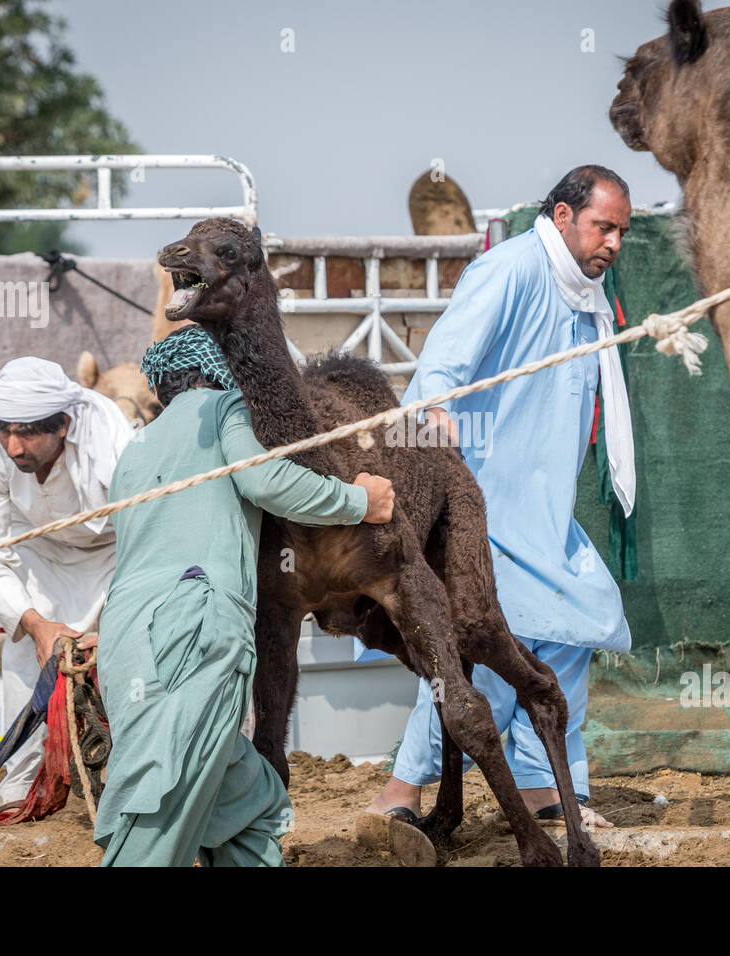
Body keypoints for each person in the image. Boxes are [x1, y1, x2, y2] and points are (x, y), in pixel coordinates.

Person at [364, 165, 636, 833]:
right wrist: (435, 411)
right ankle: (400, 789)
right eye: (605, 227)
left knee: (578, 622)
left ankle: (544, 783)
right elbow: (444, 359)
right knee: (485, 644)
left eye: (623, 232)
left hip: (542, 510)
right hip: (482, 506)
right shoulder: (511, 268)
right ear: (565, 216)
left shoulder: (584, 296)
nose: (615, 244)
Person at [92, 326, 396, 866]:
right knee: (165, 794)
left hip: (125, 635)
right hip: (193, 623)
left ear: (162, 388)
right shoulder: (222, 406)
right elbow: (264, 482)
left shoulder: (136, 448)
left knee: (246, 800)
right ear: (221, 373)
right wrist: (357, 501)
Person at [0, 356, 134, 820]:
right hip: (34, 548)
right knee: (21, 667)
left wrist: (116, 625)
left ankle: (129, 792)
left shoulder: (107, 434)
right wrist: (35, 626)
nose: (14, 447)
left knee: (126, 666)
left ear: (64, 425)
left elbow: (144, 530)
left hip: (115, 551)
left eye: (28, 432)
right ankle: (20, 796)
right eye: (4, 430)